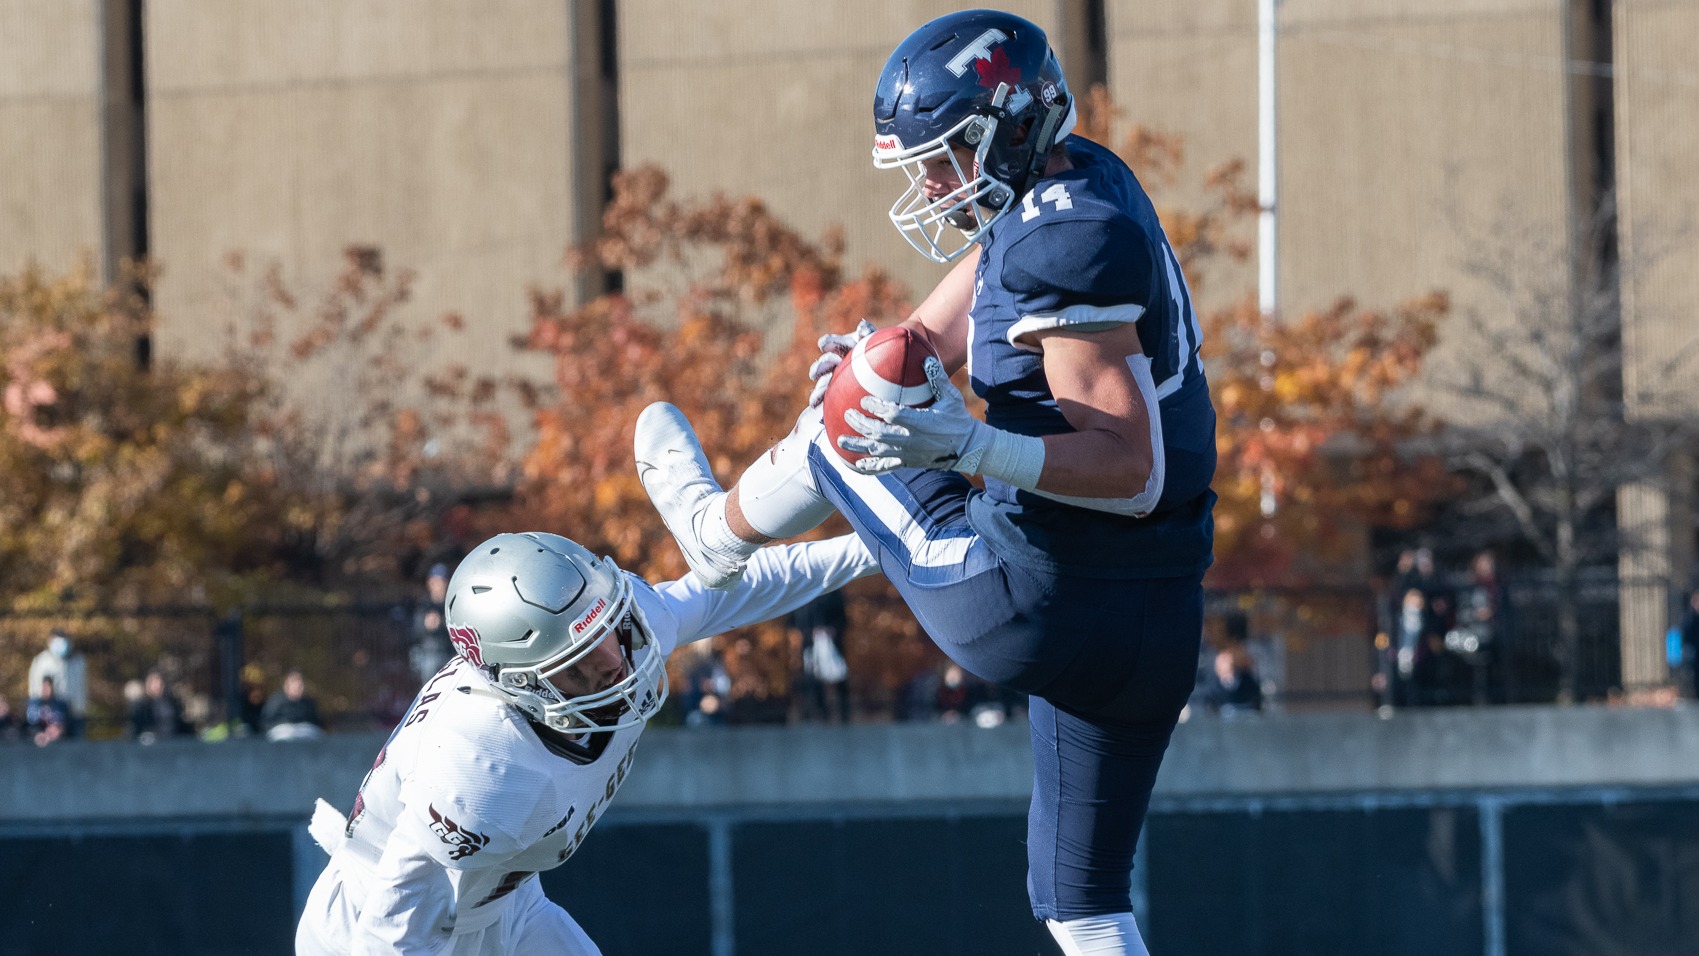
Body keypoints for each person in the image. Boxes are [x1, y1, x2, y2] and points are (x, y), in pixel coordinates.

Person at [632, 11, 1214, 953]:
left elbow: (1130, 469)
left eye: (947, 155)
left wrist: (958, 443)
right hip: (1154, 622)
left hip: (1033, 600)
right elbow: (951, 319)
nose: (931, 183)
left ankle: (712, 533)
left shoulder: (1061, 245)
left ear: (1011, 124)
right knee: (1083, 904)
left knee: (841, 439)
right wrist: (886, 359)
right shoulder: (1081, 181)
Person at [296, 529, 874, 955]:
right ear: (521, 684)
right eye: (577, 665)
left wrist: (876, 547)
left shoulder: (620, 627)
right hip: (389, 927)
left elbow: (737, 589)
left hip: (504, 904)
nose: (614, 664)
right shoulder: (482, 764)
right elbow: (391, 936)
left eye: (606, 633)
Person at [788, 589, 851, 723]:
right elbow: (794, 620)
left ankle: (843, 712)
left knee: (837, 676)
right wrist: (807, 633)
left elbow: (842, 617)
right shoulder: (802, 592)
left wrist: (832, 630)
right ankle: (819, 712)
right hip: (810, 643)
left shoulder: (833, 592)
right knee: (813, 678)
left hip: (831, 642)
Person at [28, 628, 87, 737]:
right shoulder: (42, 661)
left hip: (76, 713)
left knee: (76, 747)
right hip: (52, 714)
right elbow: (35, 689)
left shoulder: (77, 660)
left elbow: (81, 688)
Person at [410, 563, 455, 684]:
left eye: (442, 582)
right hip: (429, 655)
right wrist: (425, 625)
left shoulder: (452, 604)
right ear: (430, 583)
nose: (440, 586)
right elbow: (414, 631)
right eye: (436, 582)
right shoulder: (424, 605)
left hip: (450, 654)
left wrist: (442, 622)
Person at [127, 669, 192, 743]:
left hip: (172, 741)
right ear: (147, 684)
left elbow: (180, 723)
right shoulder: (141, 706)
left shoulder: (172, 703)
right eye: (153, 682)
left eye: (159, 682)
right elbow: (137, 728)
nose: (157, 685)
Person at [262, 669, 325, 741]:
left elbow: (316, 722)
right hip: (282, 732)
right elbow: (267, 722)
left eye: (300, 683)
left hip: (305, 732)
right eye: (294, 682)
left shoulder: (309, 703)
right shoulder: (276, 702)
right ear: (286, 685)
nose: (297, 686)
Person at [25, 675, 72, 747]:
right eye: (44, 687)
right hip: (35, 742)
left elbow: (68, 725)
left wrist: (58, 730)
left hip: (58, 743)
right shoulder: (33, 704)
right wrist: (38, 733)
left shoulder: (61, 705)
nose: (46, 689)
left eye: (48, 686)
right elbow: (28, 725)